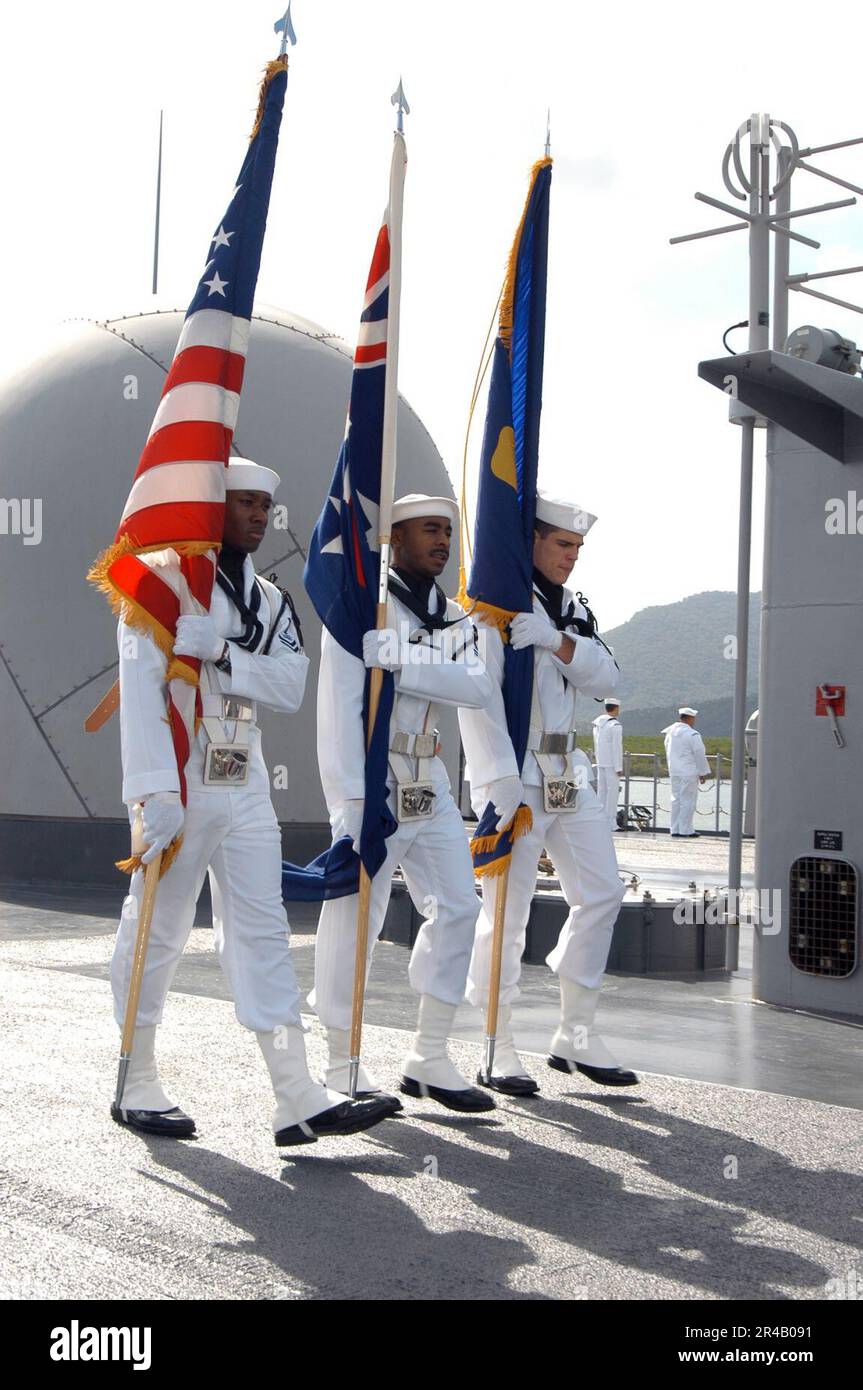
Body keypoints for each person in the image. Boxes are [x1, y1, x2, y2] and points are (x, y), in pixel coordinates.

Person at [111, 460, 391, 1148]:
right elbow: (141, 690)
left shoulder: (268, 598)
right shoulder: (161, 582)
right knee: (160, 927)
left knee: (263, 931)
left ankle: (295, 1095)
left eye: (266, 505)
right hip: (179, 779)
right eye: (244, 504)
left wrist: (225, 655)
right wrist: (154, 792)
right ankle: (136, 1078)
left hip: (244, 777)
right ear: (211, 506)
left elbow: (289, 683)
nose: (260, 517)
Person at [310, 494, 497, 1113]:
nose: (443, 540)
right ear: (394, 536)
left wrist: (403, 664)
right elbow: (338, 704)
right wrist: (349, 797)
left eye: (447, 530)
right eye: (429, 530)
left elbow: (475, 685)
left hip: (428, 776)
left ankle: (430, 1056)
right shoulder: (365, 602)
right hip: (373, 774)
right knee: (356, 918)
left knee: (460, 906)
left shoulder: (452, 613)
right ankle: (342, 1062)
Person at [459, 490, 638, 1096]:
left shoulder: (570, 607)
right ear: (531, 540)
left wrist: (556, 641)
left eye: (579, 548)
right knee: (506, 915)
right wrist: (496, 779)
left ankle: (576, 1033)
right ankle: (496, 1040)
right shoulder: (493, 601)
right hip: (517, 776)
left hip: (566, 773)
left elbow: (608, 677)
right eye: (564, 544)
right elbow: (476, 694)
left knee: (602, 893)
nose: (572, 558)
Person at [662, 707, 710, 837]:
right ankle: (686, 830)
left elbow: (667, 750)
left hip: (675, 771)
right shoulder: (693, 734)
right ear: (690, 718)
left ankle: (675, 829)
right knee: (688, 800)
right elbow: (699, 753)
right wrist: (703, 772)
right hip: (688, 771)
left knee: (676, 800)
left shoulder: (670, 733)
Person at [592, 698, 623, 831]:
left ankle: (600, 820)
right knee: (612, 793)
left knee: (602, 792)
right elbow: (617, 747)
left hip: (601, 761)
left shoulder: (598, 724)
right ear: (616, 708)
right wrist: (619, 767)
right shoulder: (615, 725)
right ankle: (611, 822)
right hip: (611, 763)